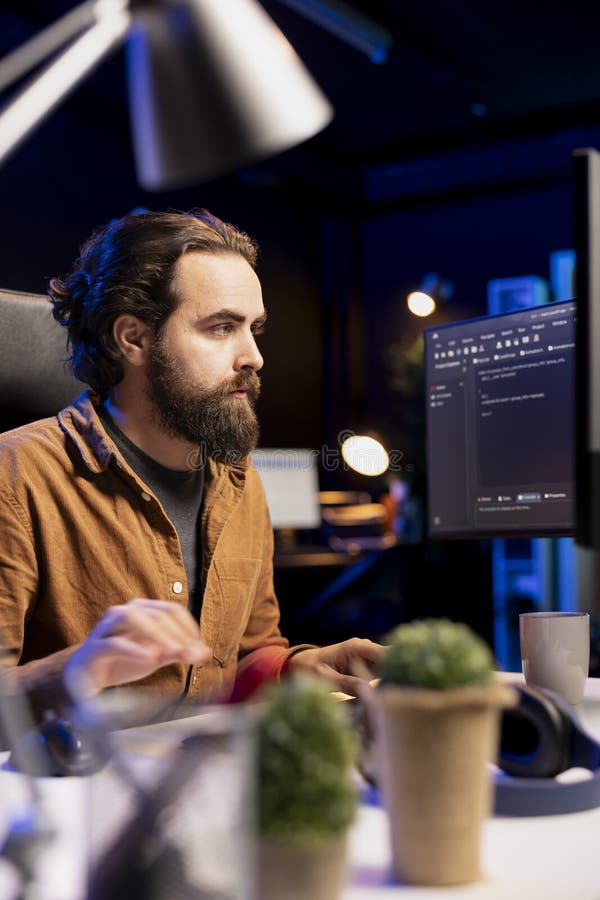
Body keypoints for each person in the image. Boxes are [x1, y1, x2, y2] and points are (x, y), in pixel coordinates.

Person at [0, 209, 381, 720]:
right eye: (221, 327)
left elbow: (247, 654)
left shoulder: (240, 481)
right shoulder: (17, 477)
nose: (253, 356)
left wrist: (295, 670)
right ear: (132, 338)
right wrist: (81, 669)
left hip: (197, 780)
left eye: (254, 329)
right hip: (74, 792)